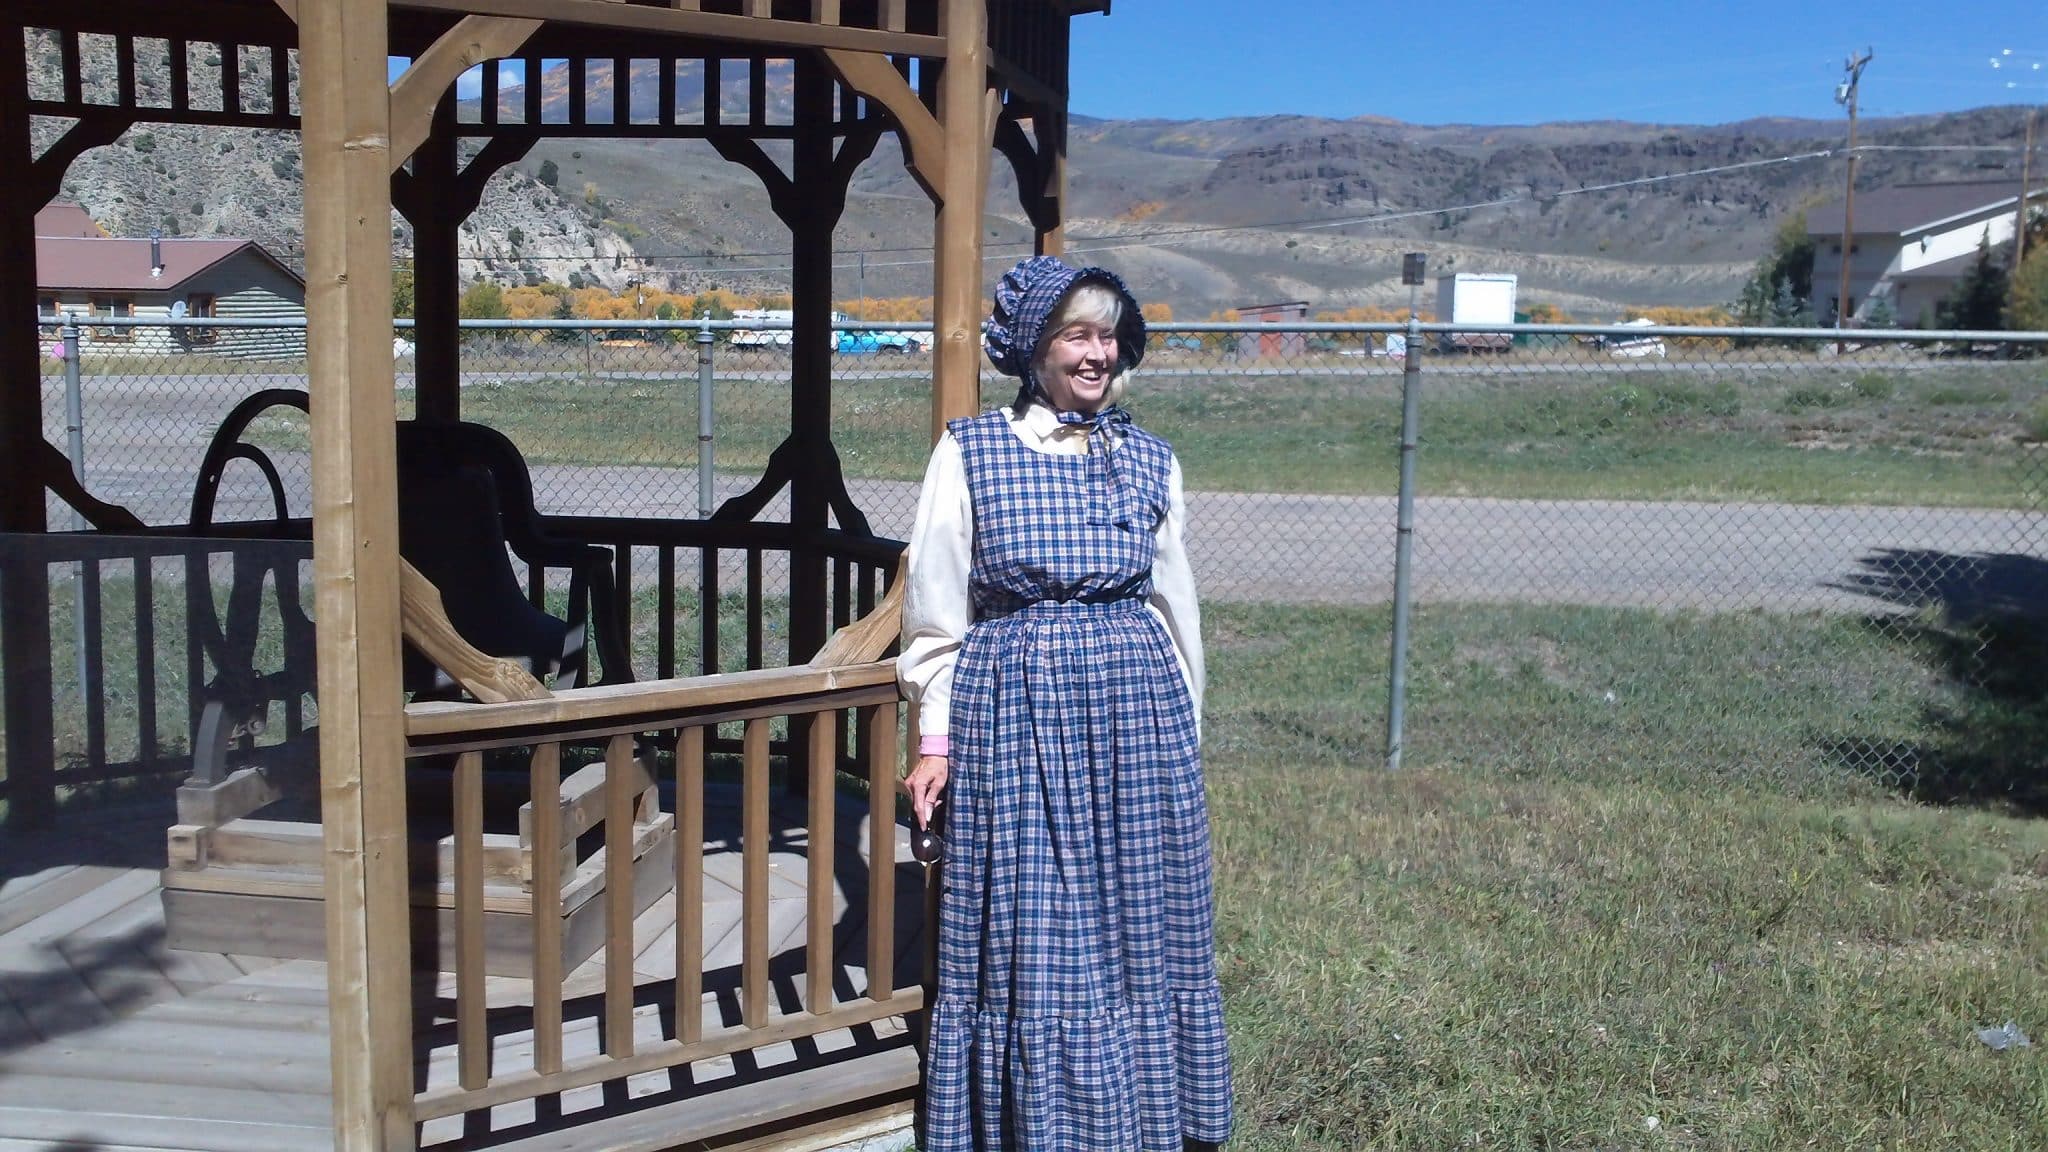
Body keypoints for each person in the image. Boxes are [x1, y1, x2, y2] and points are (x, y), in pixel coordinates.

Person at [897, 256, 1232, 1151]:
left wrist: (1184, 743)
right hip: (1017, 717)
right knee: (1038, 925)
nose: (1097, 353)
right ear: (1035, 349)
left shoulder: (1151, 460)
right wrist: (936, 740)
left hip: (1136, 721)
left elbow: (1175, 608)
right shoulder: (971, 452)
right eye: (1076, 335)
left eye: (1108, 336)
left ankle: (1143, 1119)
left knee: (1140, 921)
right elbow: (937, 613)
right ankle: (1039, 1128)